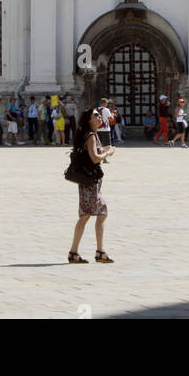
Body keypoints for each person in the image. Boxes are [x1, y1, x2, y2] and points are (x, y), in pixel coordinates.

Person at [68, 107, 115, 266]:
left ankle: (74, 252)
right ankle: (99, 251)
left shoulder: (89, 135)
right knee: (101, 213)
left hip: (87, 183)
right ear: (89, 119)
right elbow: (95, 158)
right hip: (90, 184)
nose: (99, 117)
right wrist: (107, 154)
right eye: (96, 115)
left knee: (85, 216)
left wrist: (105, 149)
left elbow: (92, 153)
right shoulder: (91, 136)